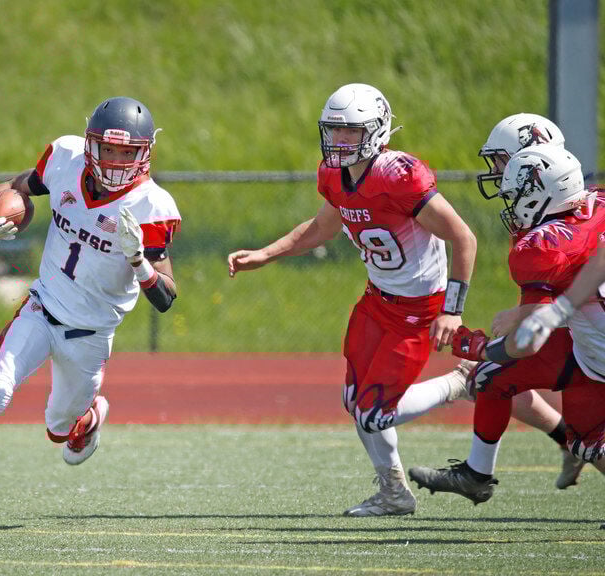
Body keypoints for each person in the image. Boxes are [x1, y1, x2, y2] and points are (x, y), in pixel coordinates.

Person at [0, 96, 180, 531]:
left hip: (90, 334)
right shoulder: (64, 157)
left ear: (144, 154)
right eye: (109, 149)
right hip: (42, 307)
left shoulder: (152, 207)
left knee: (57, 430)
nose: (117, 161)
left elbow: (167, 296)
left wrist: (140, 264)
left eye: (127, 152)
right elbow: (23, 186)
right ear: (89, 145)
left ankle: (87, 417)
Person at [228, 83, 477, 517]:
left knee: (374, 413)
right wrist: (266, 254)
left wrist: (453, 310)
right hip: (377, 300)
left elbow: (463, 237)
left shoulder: (398, 176)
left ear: (377, 131)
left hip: (419, 308)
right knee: (353, 400)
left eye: (351, 132)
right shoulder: (333, 174)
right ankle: (394, 493)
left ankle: (461, 382)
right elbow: (323, 226)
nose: (339, 142)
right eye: (334, 131)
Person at [409, 145, 605, 503]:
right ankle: (477, 474)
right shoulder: (597, 205)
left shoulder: (541, 248)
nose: (510, 203)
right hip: (589, 346)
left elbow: (528, 340)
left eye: (516, 194)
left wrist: (485, 348)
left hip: (594, 353)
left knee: (589, 439)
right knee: (587, 439)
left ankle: (477, 475)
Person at [471, 113, 591, 489]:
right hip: (581, 327)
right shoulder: (572, 209)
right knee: (498, 378)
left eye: (504, 162)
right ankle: (568, 442)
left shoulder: (545, 236)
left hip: (586, 333)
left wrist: (509, 328)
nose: (497, 172)